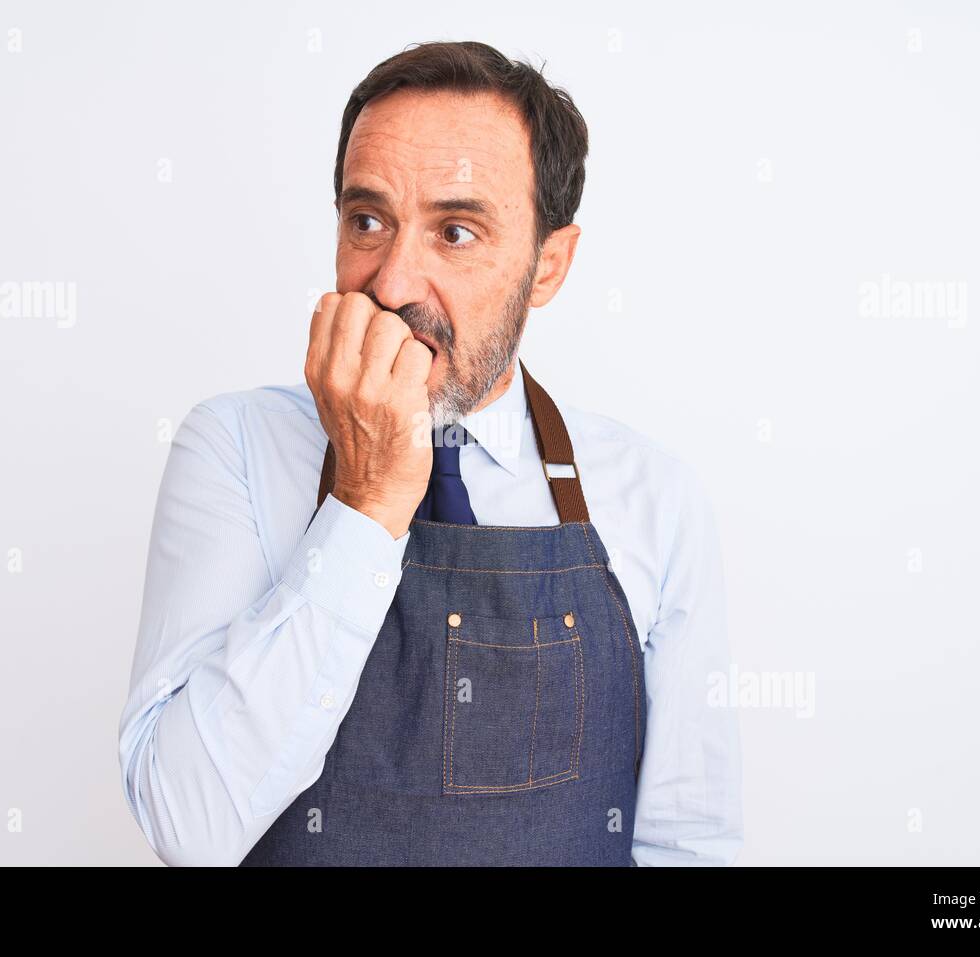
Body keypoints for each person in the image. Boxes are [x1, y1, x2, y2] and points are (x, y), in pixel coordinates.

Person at [118, 40, 742, 866]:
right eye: (367, 221)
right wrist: (367, 500)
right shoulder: (232, 448)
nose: (393, 283)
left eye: (455, 231)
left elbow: (687, 843)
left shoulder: (655, 497)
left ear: (547, 265)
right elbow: (187, 826)